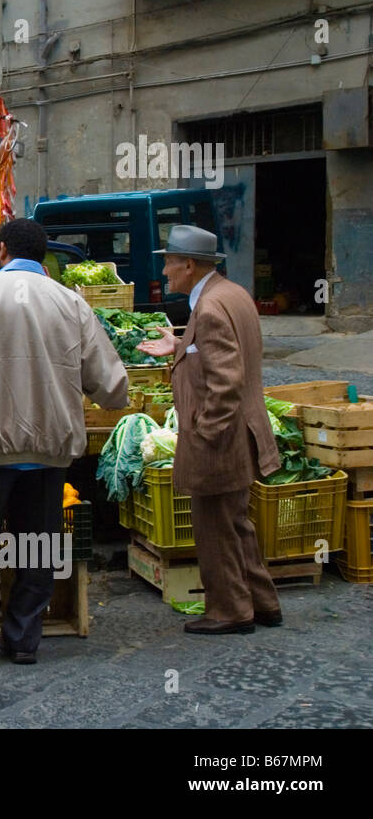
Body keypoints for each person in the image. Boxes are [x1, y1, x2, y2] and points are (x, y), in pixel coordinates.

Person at [0, 218, 128, 667]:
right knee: (38, 546)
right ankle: (22, 640)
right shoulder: (71, 302)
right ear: (44, 254)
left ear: (1, 250)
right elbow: (110, 385)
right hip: (48, 449)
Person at [136, 224, 282, 635]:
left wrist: (206, 435)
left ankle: (230, 611)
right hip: (241, 429)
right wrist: (180, 344)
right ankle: (261, 602)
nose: (165, 273)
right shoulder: (231, 294)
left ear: (188, 264)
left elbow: (226, 380)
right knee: (236, 522)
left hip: (221, 437)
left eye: (168, 263)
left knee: (214, 527)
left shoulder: (211, 307)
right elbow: (219, 352)